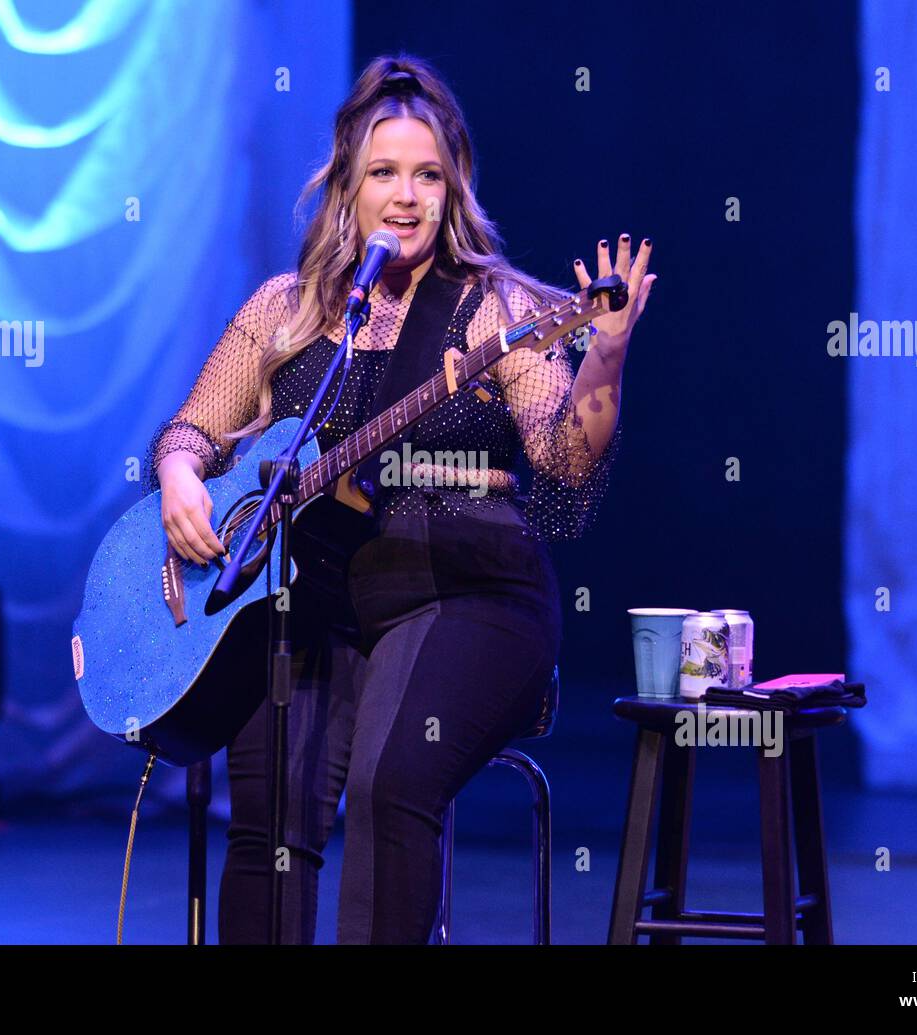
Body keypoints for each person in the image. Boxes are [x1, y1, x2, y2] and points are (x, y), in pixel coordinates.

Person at [144, 54, 654, 944]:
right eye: (384, 172)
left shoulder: (493, 310)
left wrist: (604, 356)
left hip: (465, 587)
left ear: (454, 188)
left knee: (388, 781)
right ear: (348, 183)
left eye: (428, 174)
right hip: (318, 597)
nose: (406, 195)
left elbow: (567, 466)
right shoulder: (291, 311)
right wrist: (182, 476)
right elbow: (189, 431)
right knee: (266, 810)